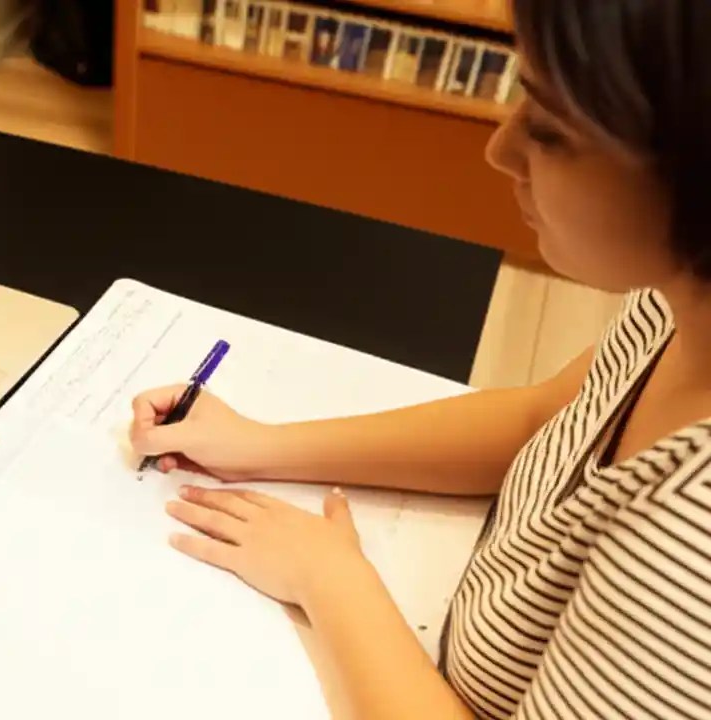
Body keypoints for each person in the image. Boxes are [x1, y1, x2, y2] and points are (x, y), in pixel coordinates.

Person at [128, 1, 711, 718]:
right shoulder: (674, 298)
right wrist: (262, 447)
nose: (500, 150)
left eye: (552, 131)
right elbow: (547, 416)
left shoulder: (693, 536)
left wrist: (330, 581)